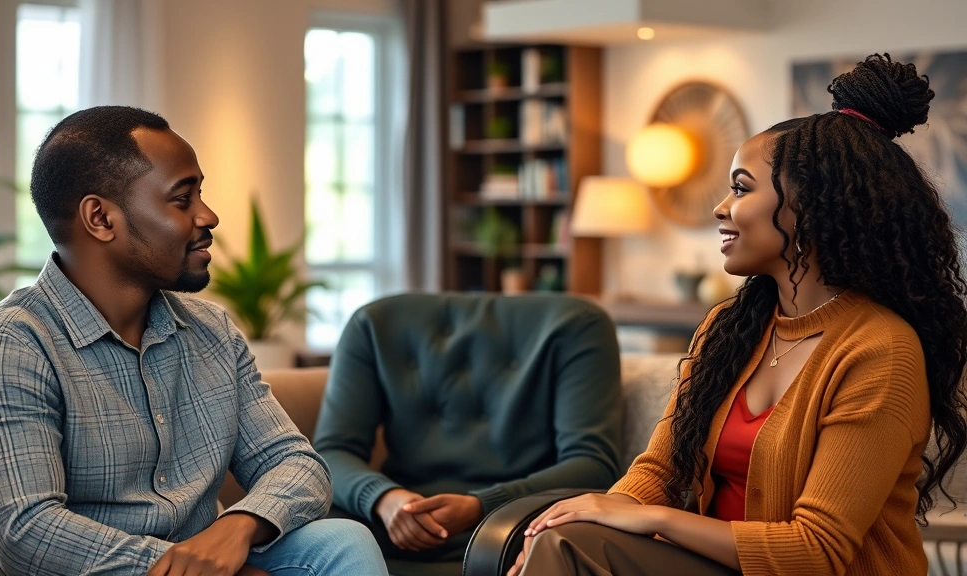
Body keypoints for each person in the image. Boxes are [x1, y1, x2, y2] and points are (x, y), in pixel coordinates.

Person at [508, 53, 967, 576]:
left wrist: (654, 520)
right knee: (563, 539)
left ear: (810, 207)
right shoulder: (730, 329)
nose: (720, 208)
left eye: (742, 187)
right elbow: (658, 468)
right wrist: (592, 516)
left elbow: (817, 551)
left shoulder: (881, 351)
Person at [0, 106, 388, 576]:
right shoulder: (9, 345)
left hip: (209, 559)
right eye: (182, 199)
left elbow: (297, 463)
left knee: (340, 542)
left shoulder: (211, 331)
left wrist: (235, 527)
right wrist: (199, 570)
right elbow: (28, 532)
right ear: (100, 218)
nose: (208, 215)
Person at [312, 293, 623, 573]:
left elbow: (594, 465)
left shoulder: (581, 325)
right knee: (304, 522)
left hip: (512, 531)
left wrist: (481, 506)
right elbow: (331, 451)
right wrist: (382, 497)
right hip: (390, 524)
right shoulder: (371, 324)